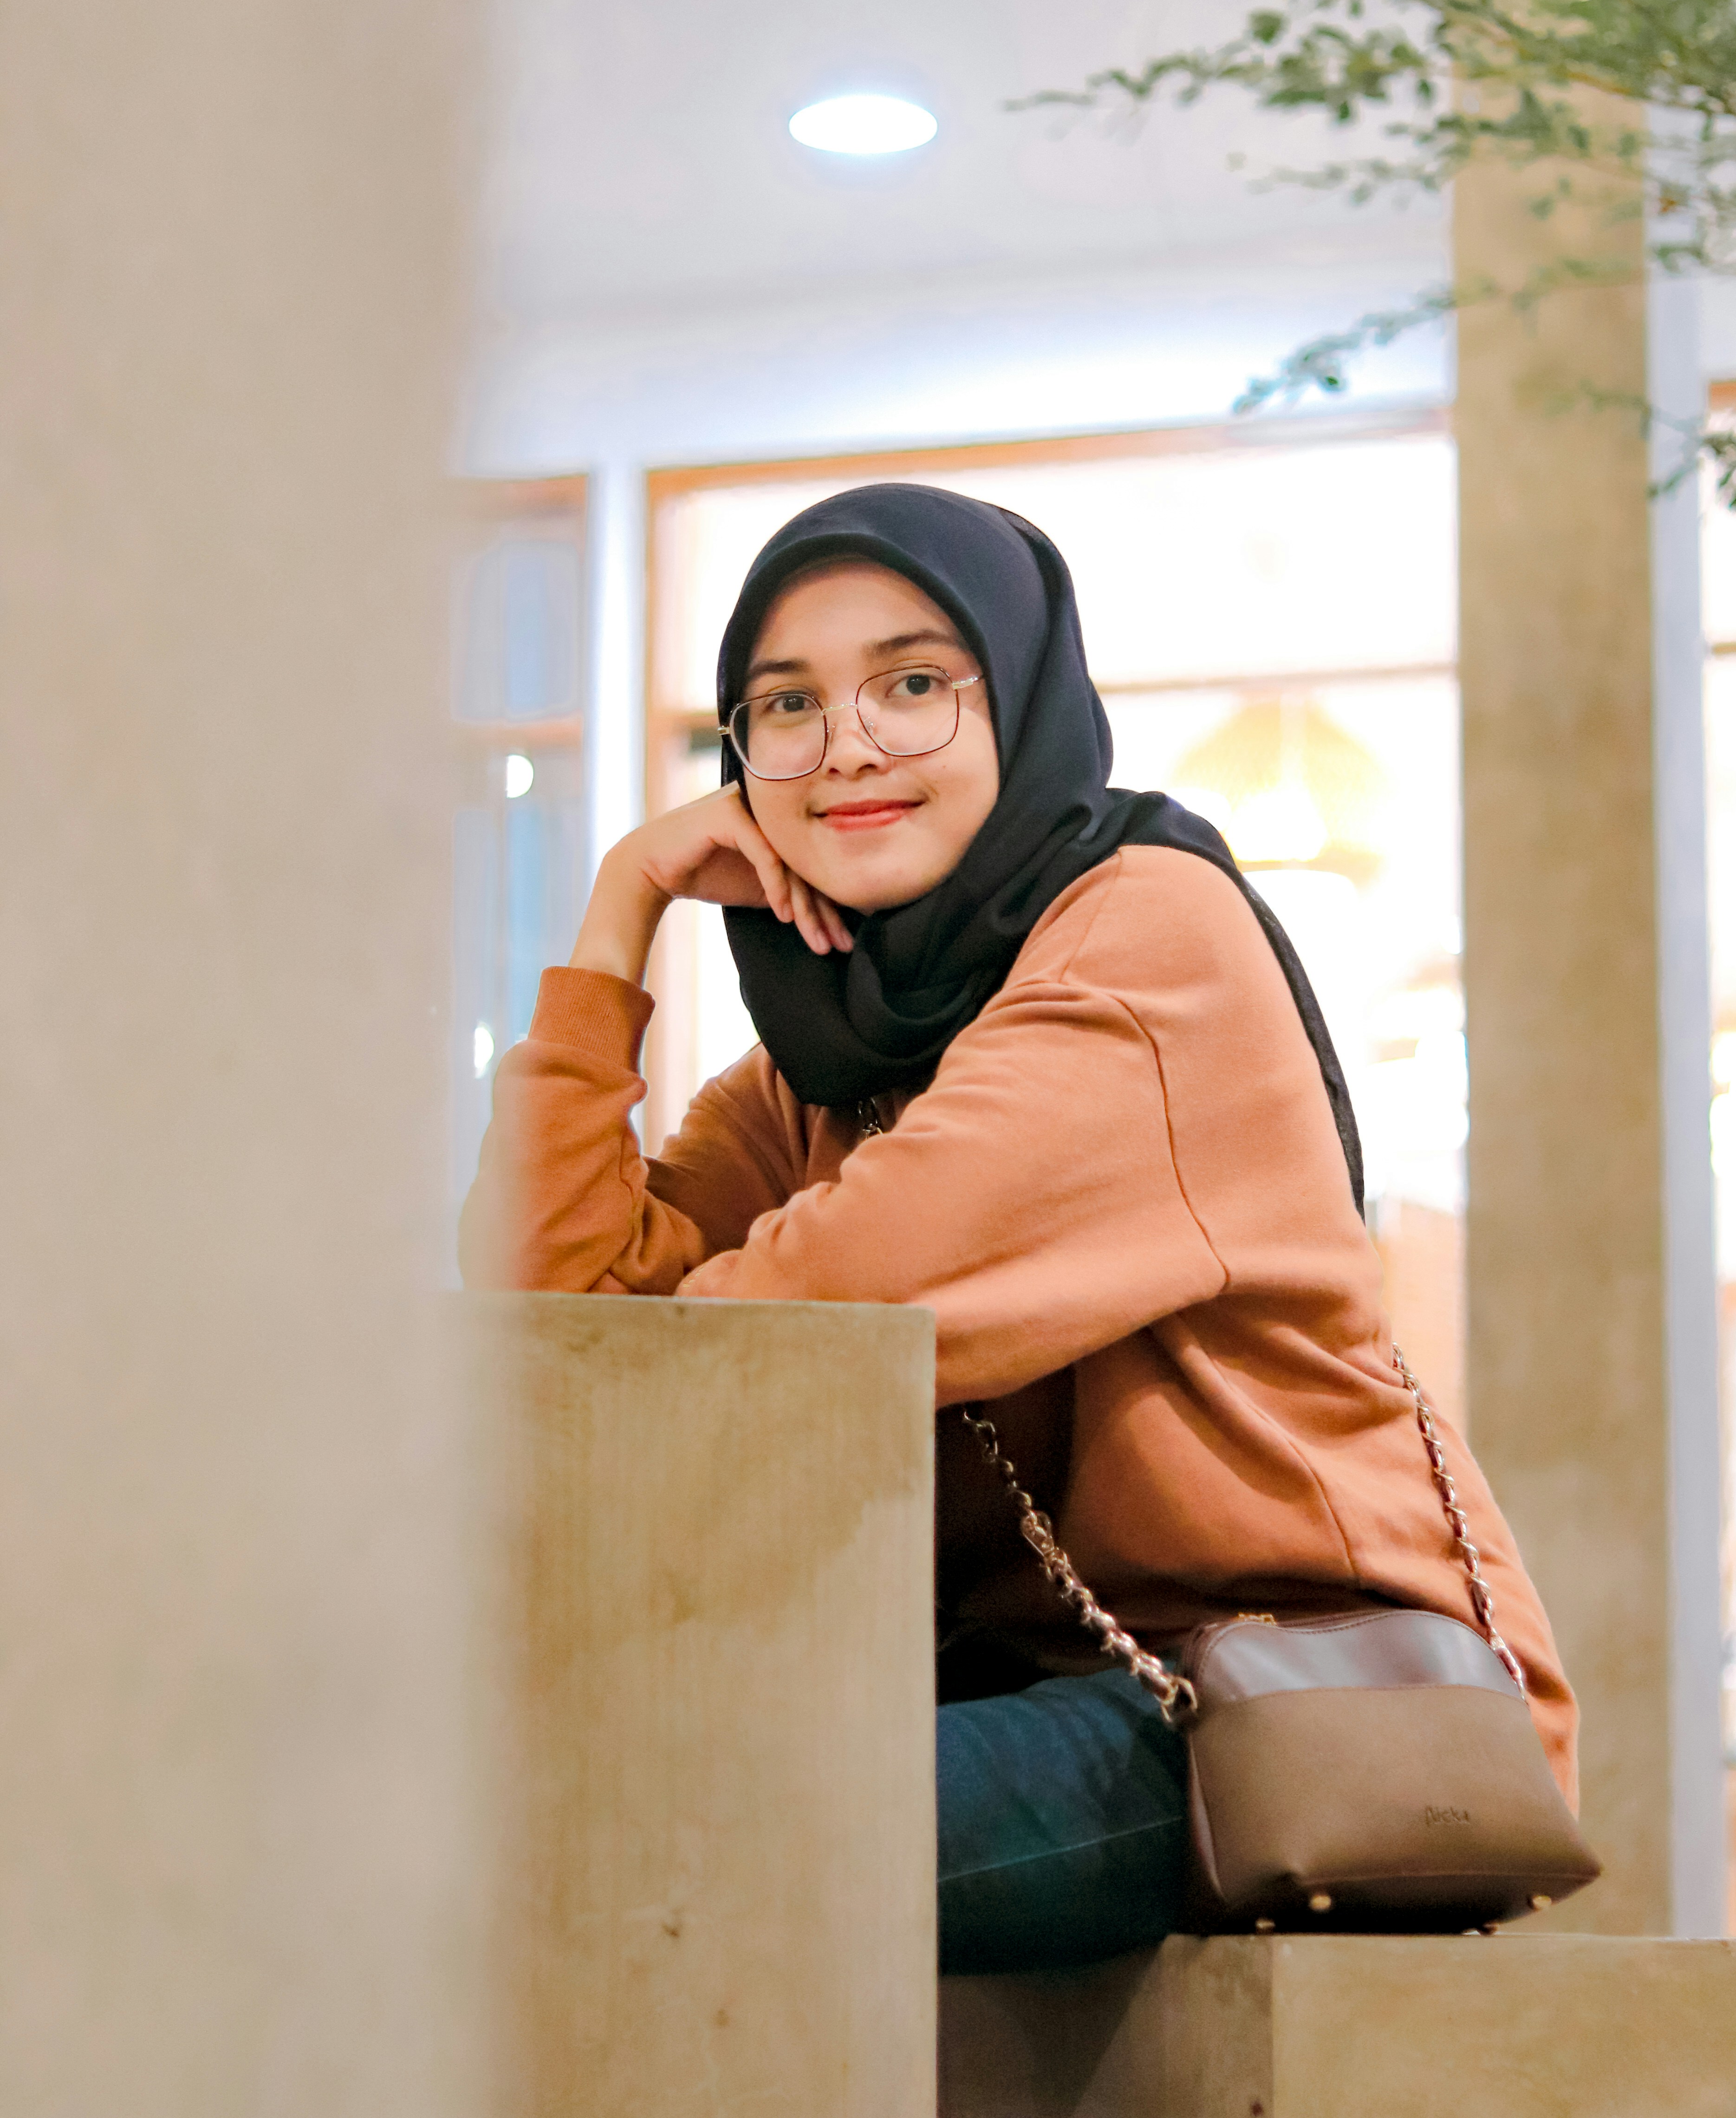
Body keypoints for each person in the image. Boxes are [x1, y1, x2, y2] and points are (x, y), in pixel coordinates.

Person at [462, 481, 1577, 1973]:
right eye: (786, 704)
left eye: (915, 684)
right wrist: (622, 907)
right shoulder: (832, 1064)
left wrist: (696, 1300)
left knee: (663, 1820)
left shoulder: (1149, 937)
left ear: (1022, 700)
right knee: (498, 1783)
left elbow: (800, 1325)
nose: (847, 743)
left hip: (1303, 1699)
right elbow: (561, 1339)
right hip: (1035, 1691)